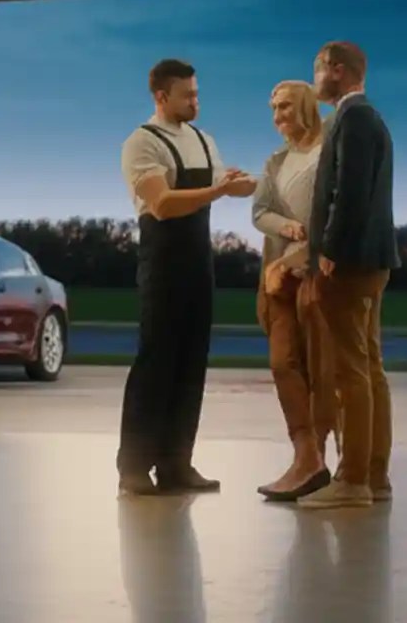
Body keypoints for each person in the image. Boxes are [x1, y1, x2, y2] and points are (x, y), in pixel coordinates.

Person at [117, 58, 257, 496]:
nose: (196, 101)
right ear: (161, 97)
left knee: (192, 363)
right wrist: (217, 191)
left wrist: (248, 183)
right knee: (156, 362)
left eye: (197, 93)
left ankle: (177, 465)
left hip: (199, 261)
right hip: (162, 262)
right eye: (188, 95)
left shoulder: (203, 140)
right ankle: (135, 468)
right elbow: (162, 204)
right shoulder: (142, 143)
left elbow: (221, 182)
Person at [298, 41, 401, 510]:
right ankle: (375, 476)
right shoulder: (368, 118)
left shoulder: (353, 118)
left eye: (317, 70)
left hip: (349, 262)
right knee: (370, 367)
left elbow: (349, 192)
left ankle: (353, 479)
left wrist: (330, 252)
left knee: (350, 371)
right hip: (370, 260)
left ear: (335, 70)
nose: (314, 79)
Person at [250, 80, 338, 502]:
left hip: (317, 273)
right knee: (283, 362)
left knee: (323, 369)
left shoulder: (329, 154)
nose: (277, 116)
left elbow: (331, 217)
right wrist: (284, 228)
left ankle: (321, 458)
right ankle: (305, 455)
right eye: (273, 109)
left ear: (305, 105)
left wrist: (294, 257)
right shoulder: (276, 160)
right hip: (278, 278)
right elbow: (259, 211)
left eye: (284, 106)